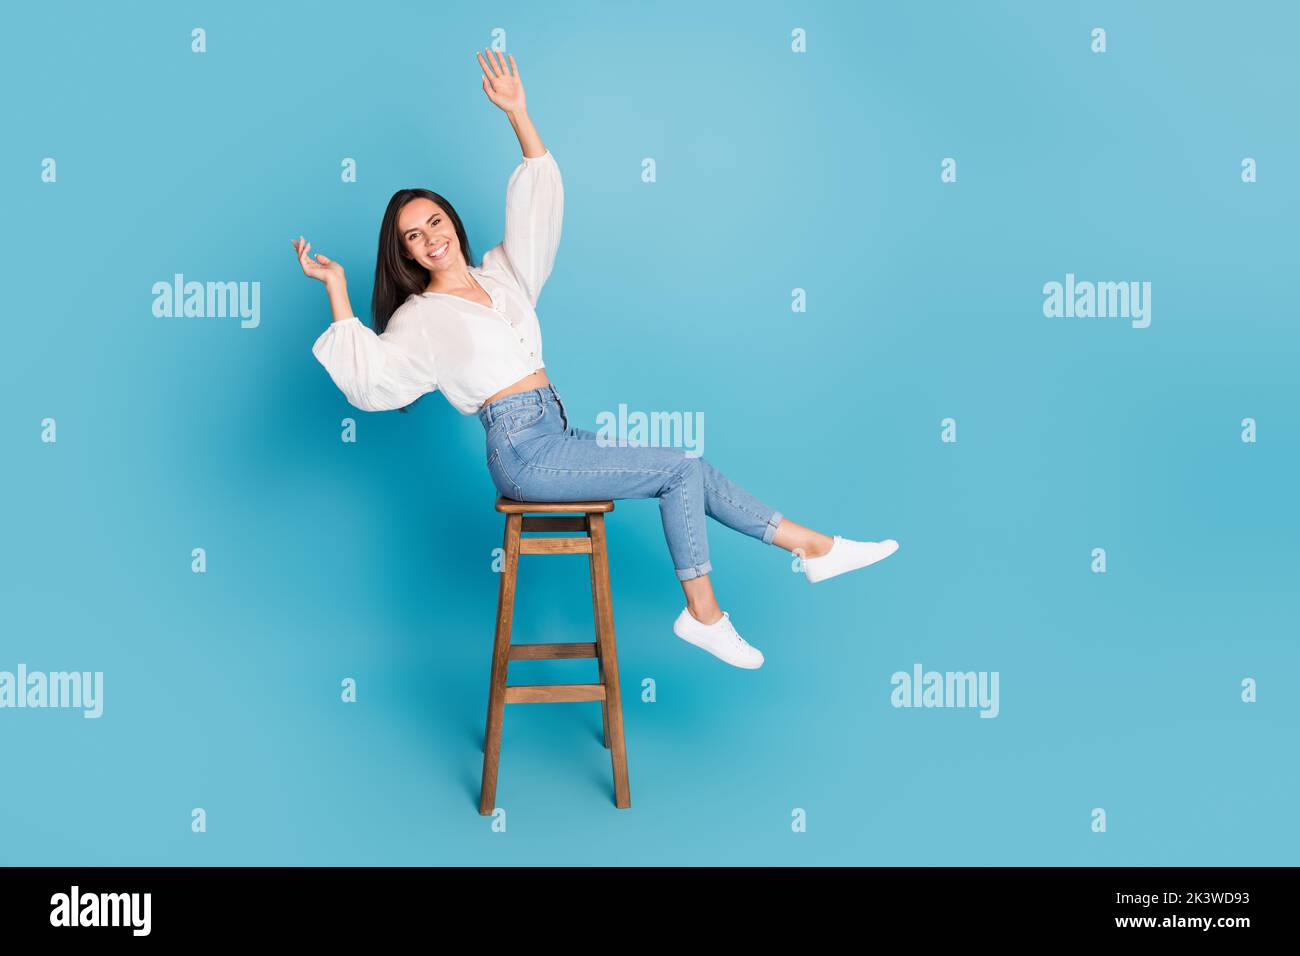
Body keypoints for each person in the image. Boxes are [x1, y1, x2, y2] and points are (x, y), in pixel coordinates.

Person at [292, 49, 898, 670]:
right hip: (521, 453)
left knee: (691, 466)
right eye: (412, 236)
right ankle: (705, 615)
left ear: (451, 221)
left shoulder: (502, 275)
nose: (430, 237)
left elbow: (539, 210)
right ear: (406, 253)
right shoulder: (419, 318)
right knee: (679, 469)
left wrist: (517, 114)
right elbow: (374, 384)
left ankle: (816, 549)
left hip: (557, 431)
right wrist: (338, 291)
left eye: (434, 221)